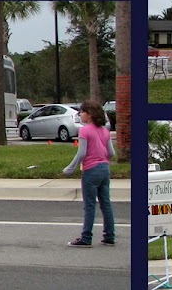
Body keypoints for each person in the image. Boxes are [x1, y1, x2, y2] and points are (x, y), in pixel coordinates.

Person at [62, 100, 115, 247]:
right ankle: (109, 236)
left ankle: (86, 238)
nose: (80, 114)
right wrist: (102, 159)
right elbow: (111, 152)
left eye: (82, 112)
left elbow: (81, 154)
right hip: (105, 169)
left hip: (91, 171)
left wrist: (70, 168)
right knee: (106, 204)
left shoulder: (84, 131)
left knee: (89, 205)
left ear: (90, 114)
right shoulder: (105, 131)